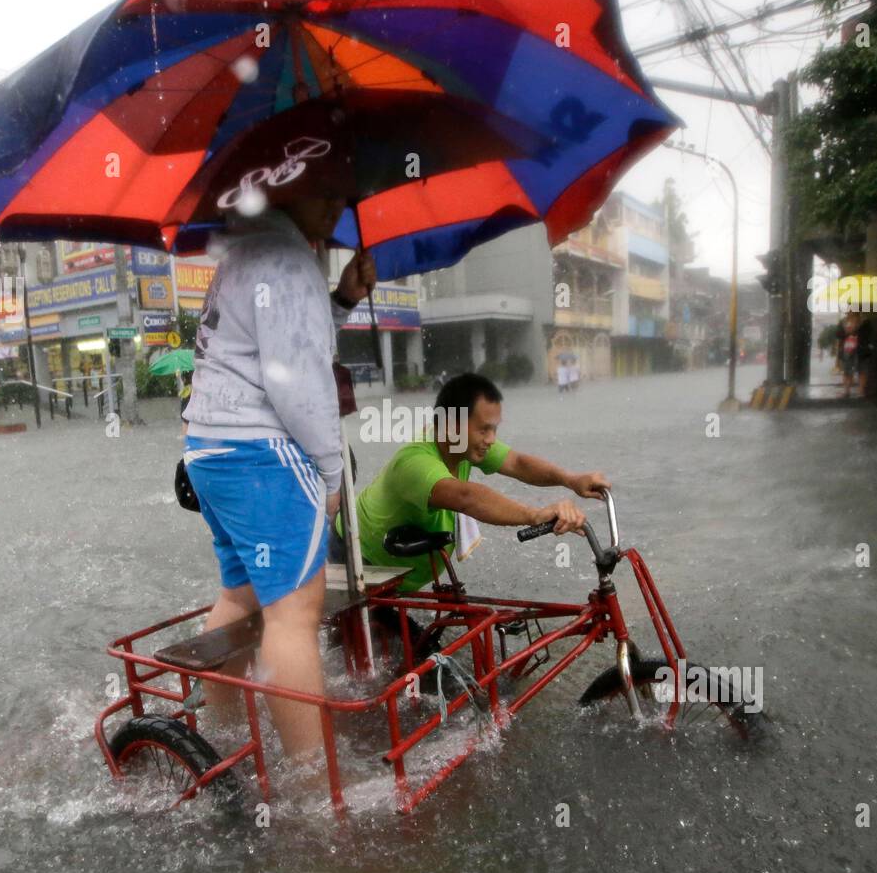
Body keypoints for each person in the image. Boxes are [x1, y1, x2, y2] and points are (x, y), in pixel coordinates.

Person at [181, 194, 375, 767]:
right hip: (263, 454)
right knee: (294, 613)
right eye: (333, 188)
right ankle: (316, 790)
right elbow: (300, 382)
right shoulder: (288, 261)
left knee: (240, 593)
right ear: (299, 183)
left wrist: (340, 299)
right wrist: (333, 476)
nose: (339, 209)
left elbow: (279, 341)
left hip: (211, 449)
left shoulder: (250, 250)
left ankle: (223, 736)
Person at [329, 371, 608, 600]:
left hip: (401, 568)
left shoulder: (463, 446)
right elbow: (466, 496)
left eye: (494, 429)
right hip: (357, 559)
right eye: (483, 429)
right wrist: (536, 515)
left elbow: (518, 463)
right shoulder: (413, 462)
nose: (490, 439)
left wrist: (571, 480)